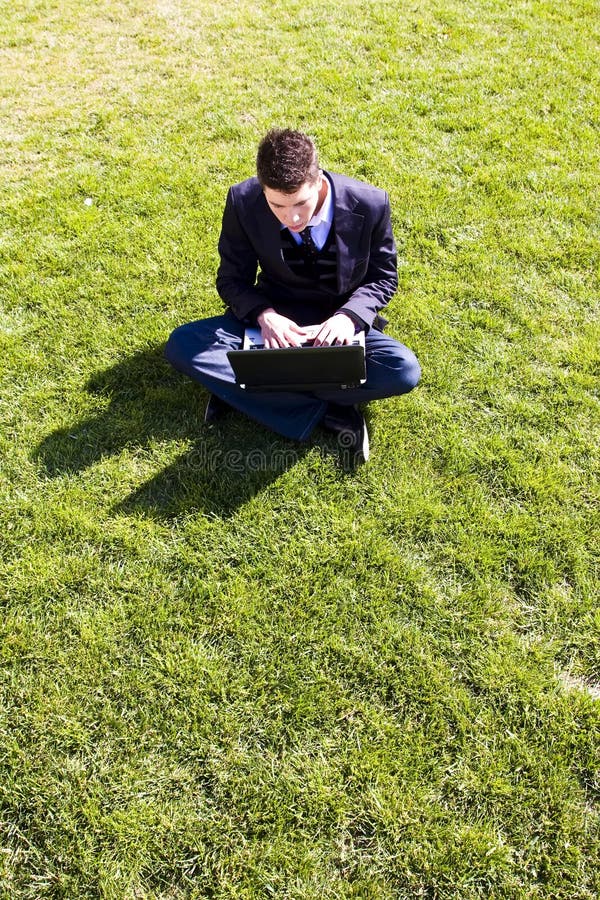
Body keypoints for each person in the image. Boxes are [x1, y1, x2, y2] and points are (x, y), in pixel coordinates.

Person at [165, 128, 420, 464]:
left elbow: (383, 278)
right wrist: (265, 316)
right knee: (182, 345)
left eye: (301, 203)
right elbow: (231, 279)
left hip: (338, 323)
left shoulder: (371, 203)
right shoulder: (243, 201)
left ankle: (250, 387)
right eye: (277, 205)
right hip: (272, 324)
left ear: (318, 181)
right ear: (262, 189)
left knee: (403, 370)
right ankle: (333, 412)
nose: (292, 217)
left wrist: (349, 317)